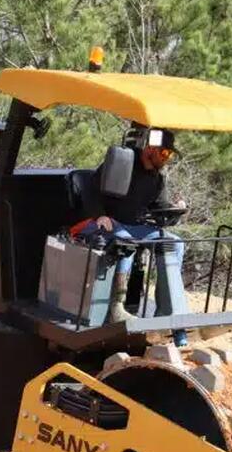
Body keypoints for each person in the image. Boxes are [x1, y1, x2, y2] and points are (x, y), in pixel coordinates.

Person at [71, 136, 190, 346]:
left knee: (175, 243)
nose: (167, 158)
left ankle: (169, 313)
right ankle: (116, 306)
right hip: (106, 222)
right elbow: (90, 191)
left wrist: (176, 208)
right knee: (126, 241)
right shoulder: (122, 162)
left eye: (170, 155)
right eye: (164, 153)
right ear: (151, 148)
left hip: (135, 226)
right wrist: (100, 215)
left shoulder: (157, 178)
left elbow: (159, 207)